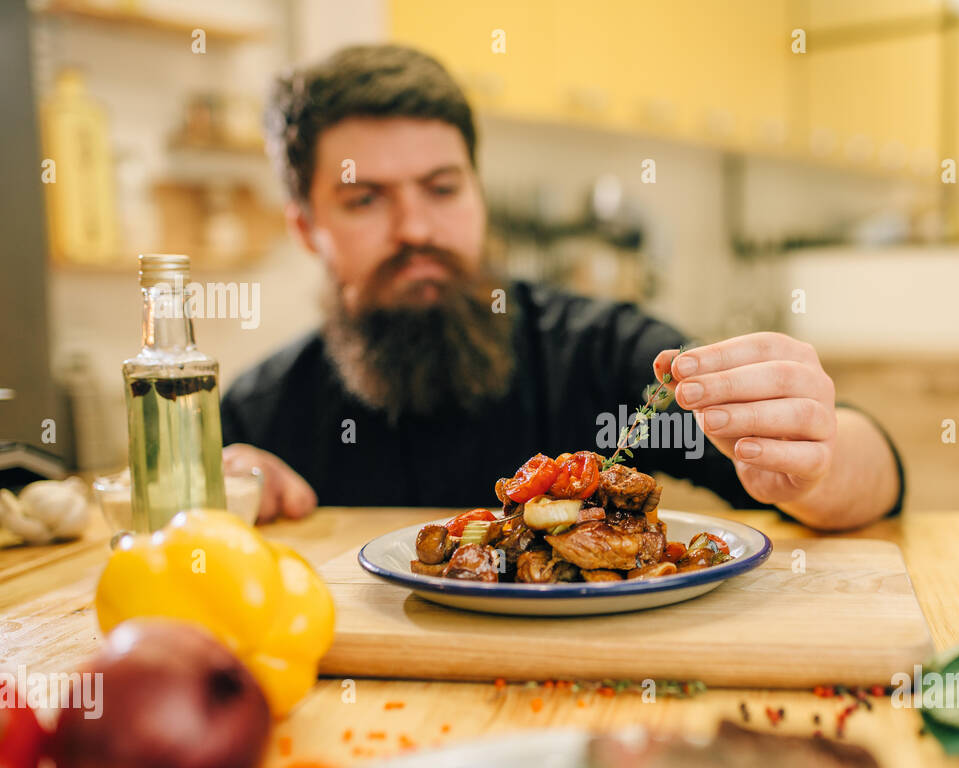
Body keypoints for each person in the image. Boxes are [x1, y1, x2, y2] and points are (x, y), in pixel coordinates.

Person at [220, 44, 903, 531]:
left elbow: (881, 470)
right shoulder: (259, 414)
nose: (416, 228)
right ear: (307, 228)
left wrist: (818, 459)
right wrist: (218, 502)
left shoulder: (595, 352)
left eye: (443, 188)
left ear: (479, 194)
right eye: (365, 199)